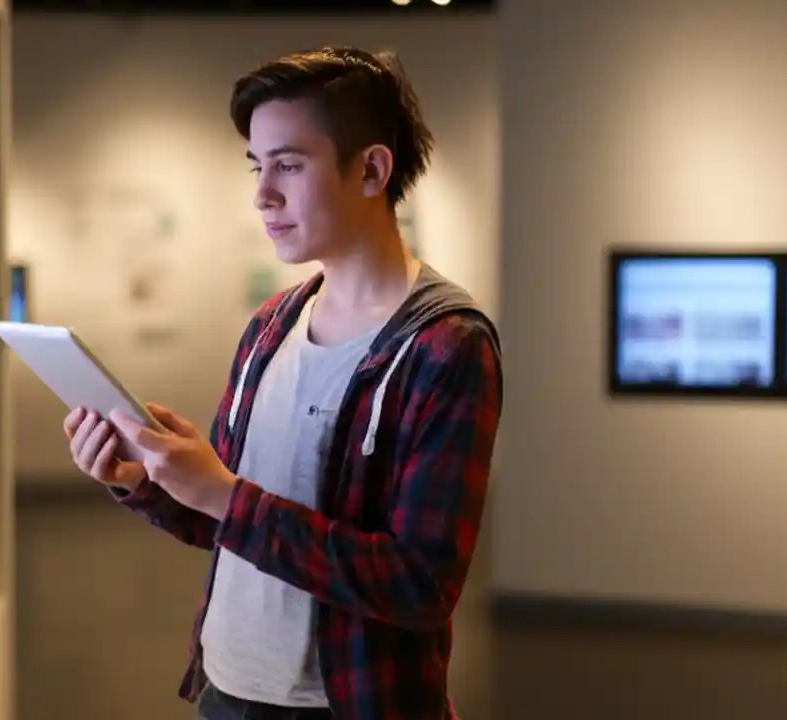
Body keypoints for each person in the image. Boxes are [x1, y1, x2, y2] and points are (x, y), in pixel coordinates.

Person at [63, 46, 502, 720]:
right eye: (257, 167)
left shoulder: (447, 345)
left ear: (372, 169)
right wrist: (141, 479)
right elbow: (225, 522)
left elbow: (419, 585)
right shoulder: (273, 323)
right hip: (225, 689)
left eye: (289, 166)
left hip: (346, 705)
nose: (262, 194)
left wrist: (224, 493)